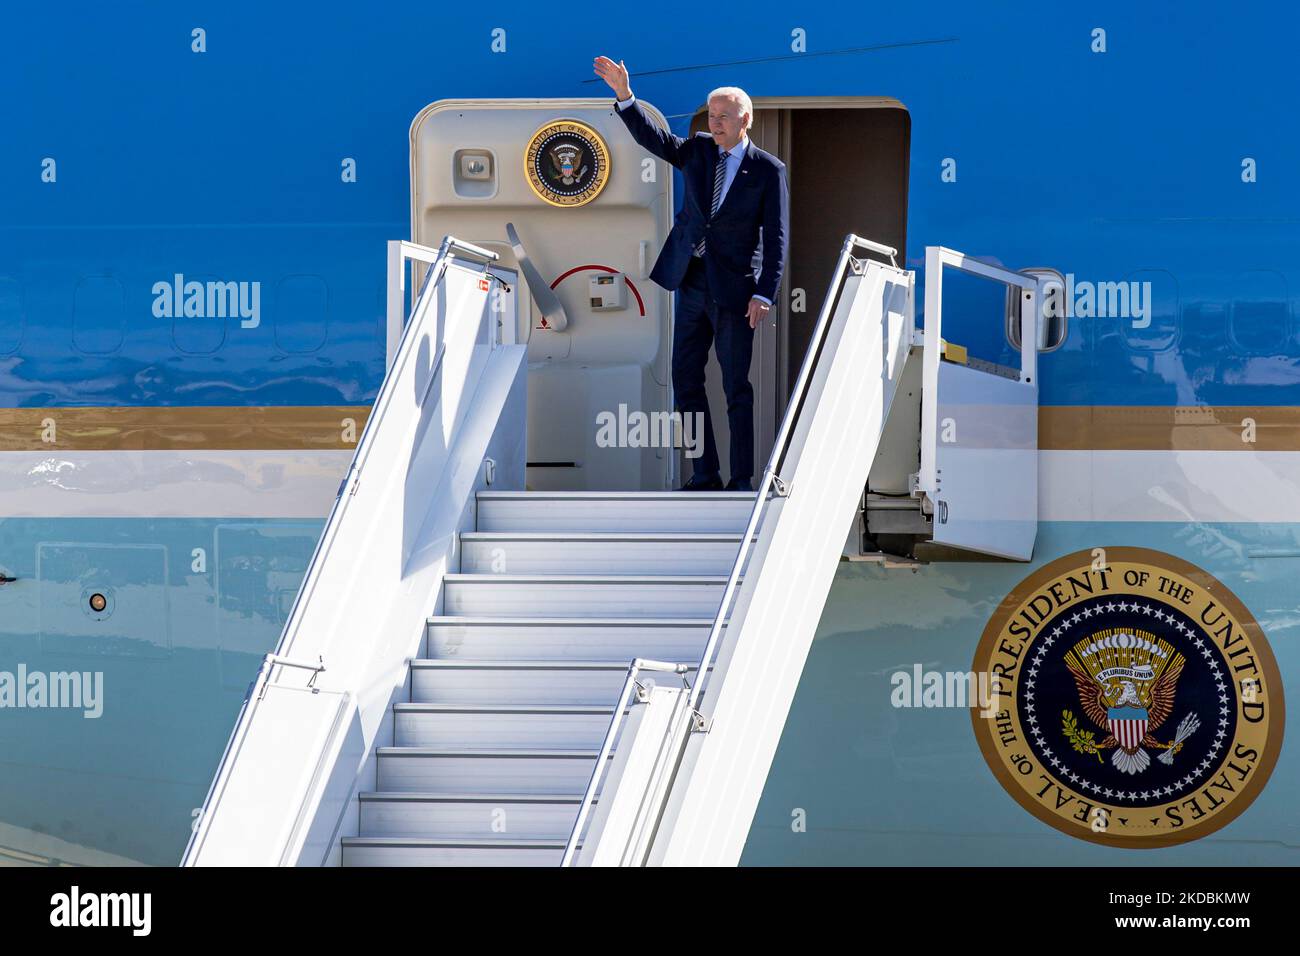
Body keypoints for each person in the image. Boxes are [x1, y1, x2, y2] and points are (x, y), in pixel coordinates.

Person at [594, 55, 789, 492]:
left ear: (745, 120)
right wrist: (626, 95)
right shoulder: (698, 150)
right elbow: (654, 138)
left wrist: (765, 293)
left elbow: (777, 238)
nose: (715, 123)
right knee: (686, 378)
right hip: (691, 280)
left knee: (736, 386)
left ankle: (741, 479)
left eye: (724, 117)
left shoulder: (768, 170)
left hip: (737, 291)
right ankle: (704, 474)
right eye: (712, 115)